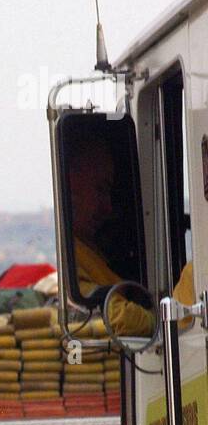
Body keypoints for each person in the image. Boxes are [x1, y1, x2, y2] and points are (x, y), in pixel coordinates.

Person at [68, 136, 154, 337]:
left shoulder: (91, 249)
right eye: (101, 189)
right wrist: (169, 322)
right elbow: (117, 318)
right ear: (70, 183)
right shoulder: (70, 257)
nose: (108, 208)